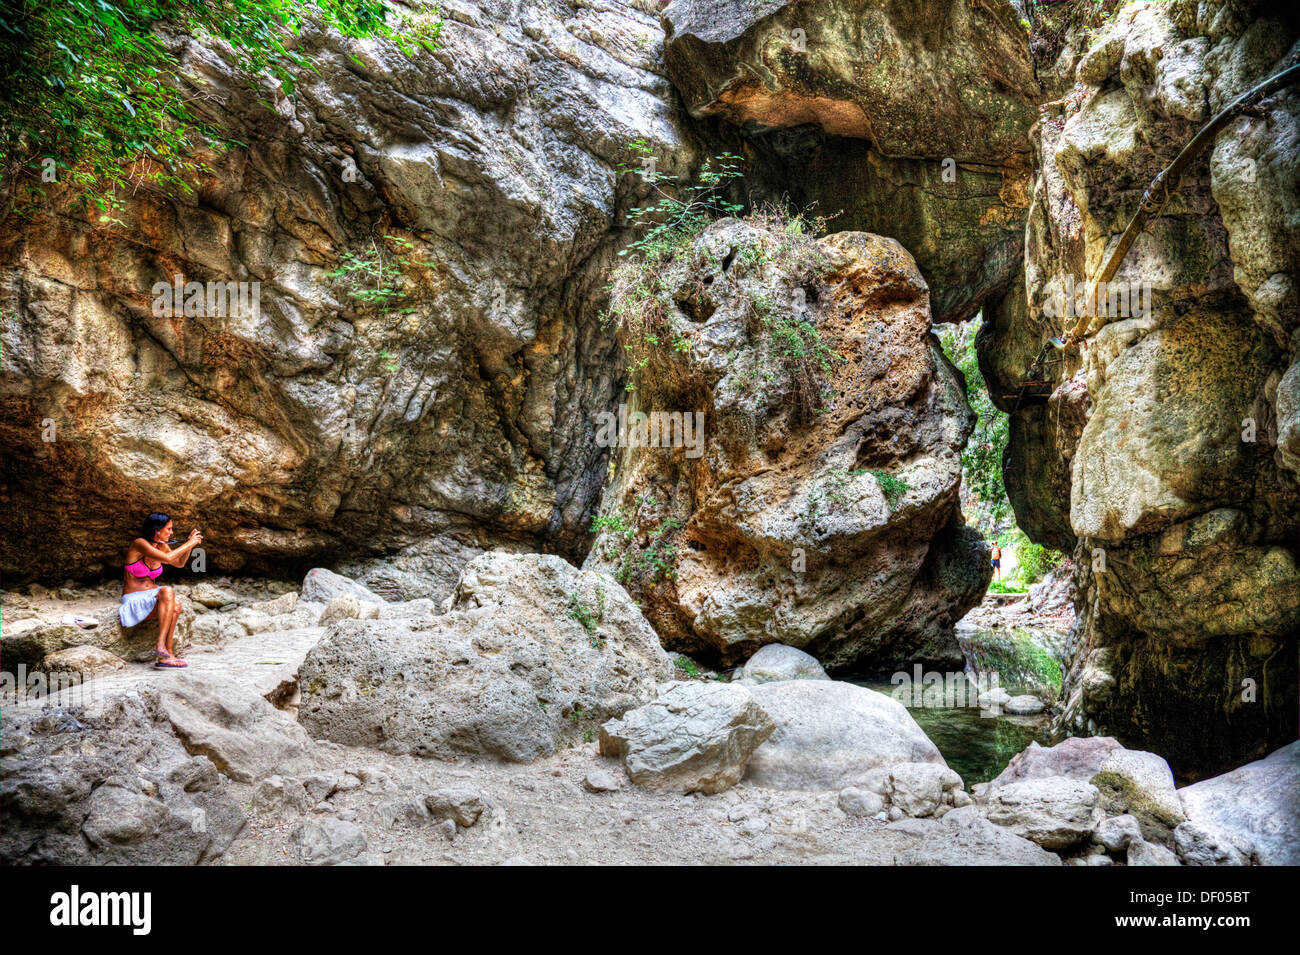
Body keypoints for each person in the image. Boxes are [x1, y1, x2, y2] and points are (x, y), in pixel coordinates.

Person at [121, 513, 202, 669]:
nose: (171, 533)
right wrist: (189, 543)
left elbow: (178, 563)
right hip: (134, 598)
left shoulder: (162, 546)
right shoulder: (140, 544)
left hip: (151, 597)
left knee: (176, 605)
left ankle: (167, 653)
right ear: (157, 530)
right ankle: (160, 645)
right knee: (167, 590)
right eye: (169, 529)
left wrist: (191, 545)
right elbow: (169, 559)